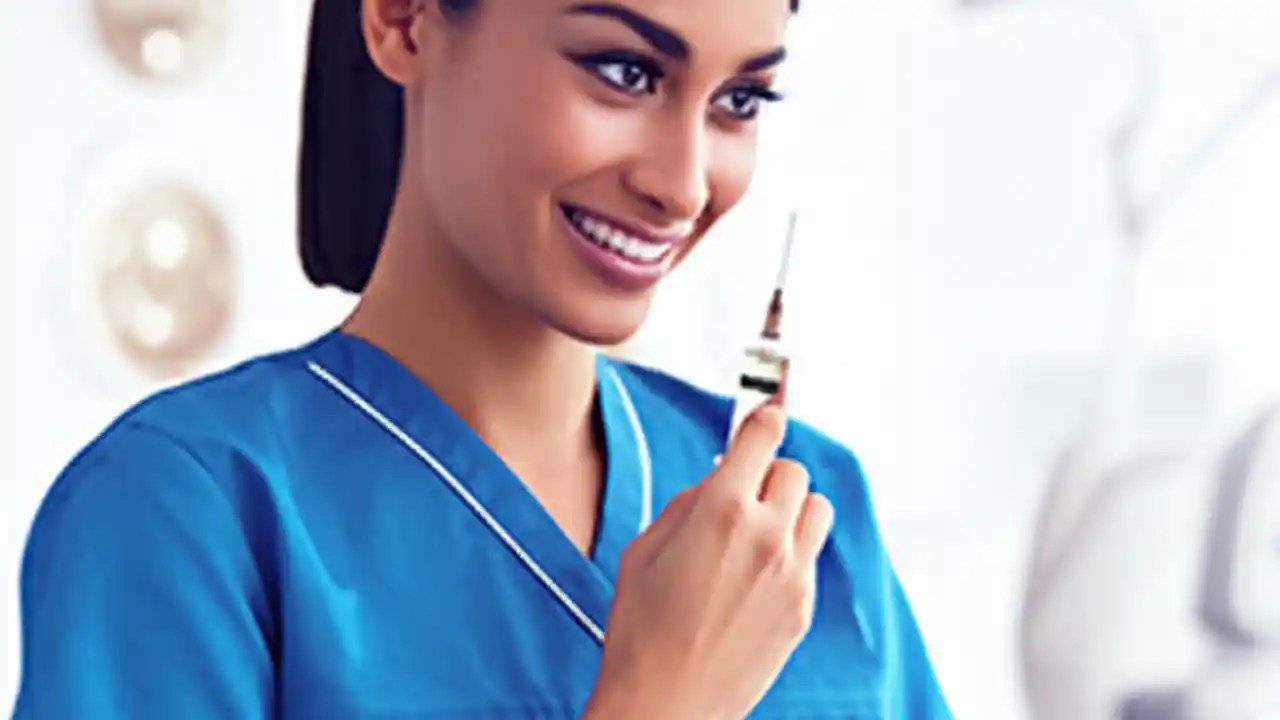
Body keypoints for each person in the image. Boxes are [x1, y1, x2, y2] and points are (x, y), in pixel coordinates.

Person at [12, 0, 953, 717]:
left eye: (739, 101)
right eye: (623, 72)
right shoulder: (186, 511)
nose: (683, 183)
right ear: (405, 19)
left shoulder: (809, 517)